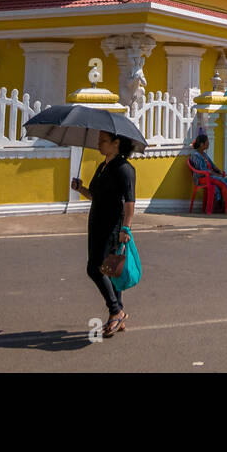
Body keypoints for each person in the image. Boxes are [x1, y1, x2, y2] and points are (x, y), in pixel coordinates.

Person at [71, 130, 136, 338]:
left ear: (116, 143)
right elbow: (95, 195)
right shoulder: (102, 166)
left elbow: (130, 202)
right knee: (110, 270)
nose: (99, 144)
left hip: (112, 227)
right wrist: (80, 188)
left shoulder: (125, 169)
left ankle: (116, 311)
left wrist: (126, 228)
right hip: (96, 224)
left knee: (95, 268)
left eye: (103, 141)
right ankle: (118, 315)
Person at [188, 132, 227, 213]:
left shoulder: (204, 154)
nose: (208, 144)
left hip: (211, 176)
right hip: (202, 178)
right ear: (201, 144)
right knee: (224, 184)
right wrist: (216, 174)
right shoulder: (195, 155)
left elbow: (213, 166)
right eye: (207, 142)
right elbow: (202, 170)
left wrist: (220, 172)